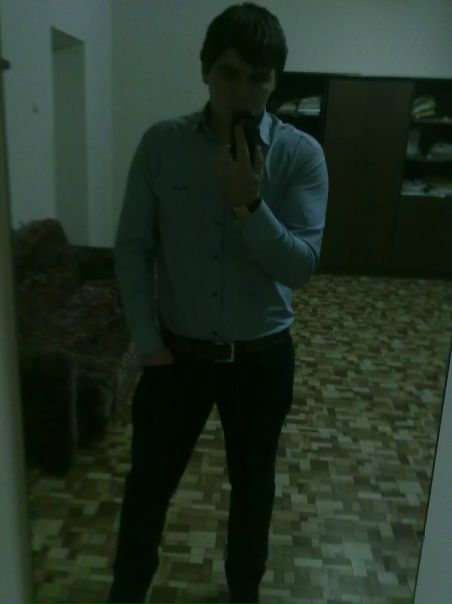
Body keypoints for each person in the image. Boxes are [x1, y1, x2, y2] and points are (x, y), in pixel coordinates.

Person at [107, 2, 328, 603]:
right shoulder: (162, 145)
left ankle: (243, 595)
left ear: (276, 81)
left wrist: (248, 204)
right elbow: (132, 249)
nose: (243, 91)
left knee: (254, 491)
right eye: (229, 72)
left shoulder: (302, 156)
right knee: (146, 490)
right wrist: (146, 343)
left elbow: (301, 268)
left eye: (258, 77)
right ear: (205, 69)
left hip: (261, 361)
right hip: (174, 359)